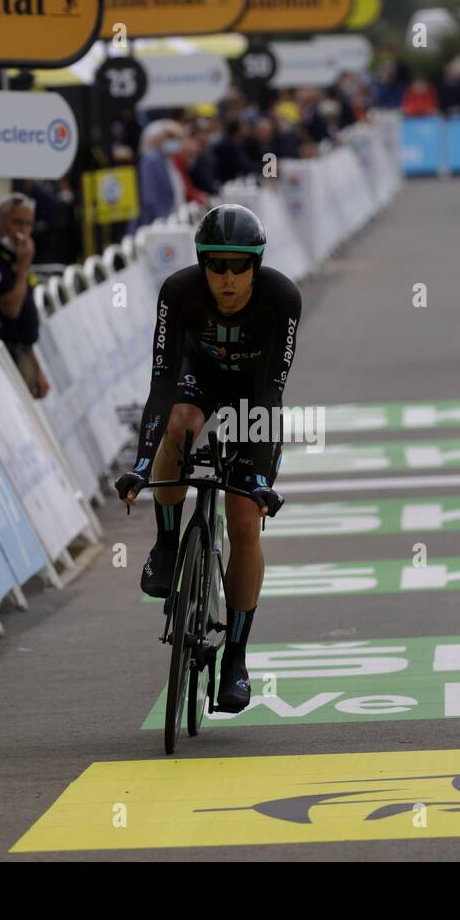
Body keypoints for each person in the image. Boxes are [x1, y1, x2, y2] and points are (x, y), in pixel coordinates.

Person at [114, 205, 300, 713]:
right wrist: (139, 464)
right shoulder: (179, 292)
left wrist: (259, 478)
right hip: (195, 380)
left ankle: (235, 659)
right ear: (202, 264)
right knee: (179, 424)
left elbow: (269, 394)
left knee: (243, 523)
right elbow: (161, 385)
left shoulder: (282, 298)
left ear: (256, 267)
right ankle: (169, 544)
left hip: (250, 398)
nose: (228, 278)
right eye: (216, 266)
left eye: (240, 267)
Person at [0, 193, 51, 398]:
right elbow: (11, 309)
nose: (22, 231)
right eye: (17, 222)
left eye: (28, 224)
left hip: (22, 353)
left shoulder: (14, 258)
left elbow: (23, 325)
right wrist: (24, 266)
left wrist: (37, 369)